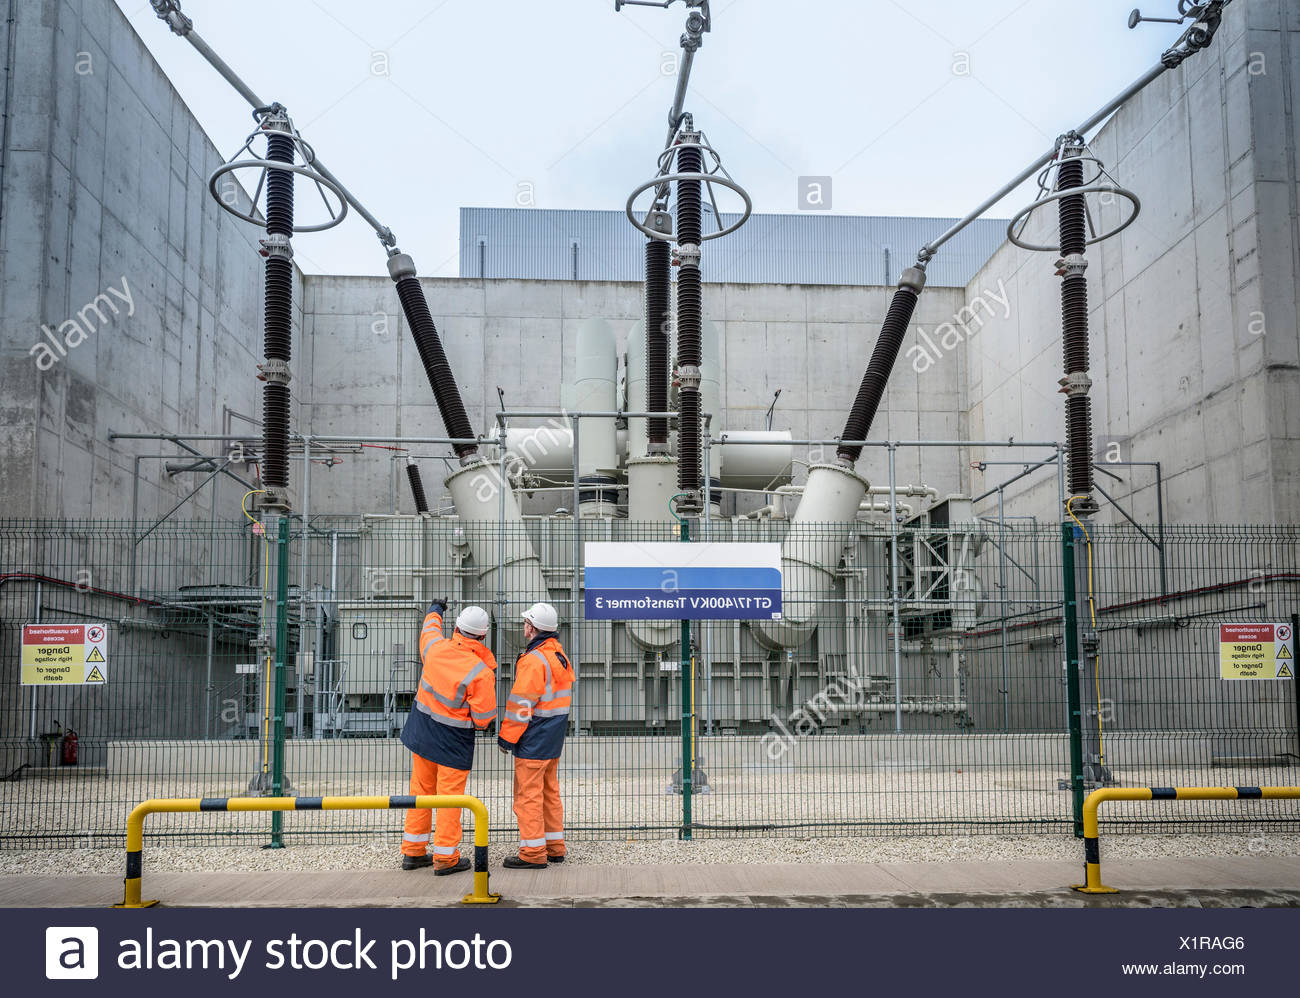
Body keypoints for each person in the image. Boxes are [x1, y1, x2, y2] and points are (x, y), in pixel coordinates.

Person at [399, 599, 497, 874]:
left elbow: (428, 629)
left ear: (456, 627)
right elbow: (483, 719)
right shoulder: (480, 672)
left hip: (421, 735)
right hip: (452, 744)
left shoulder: (435, 647)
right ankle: (445, 858)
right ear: (483, 635)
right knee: (449, 800)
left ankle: (413, 852)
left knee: (420, 794)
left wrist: (436, 609)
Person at [498, 602, 574, 870]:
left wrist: (507, 738)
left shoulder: (533, 661)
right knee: (549, 793)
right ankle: (555, 847)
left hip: (534, 739)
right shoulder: (559, 656)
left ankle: (532, 853)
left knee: (527, 796)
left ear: (532, 627)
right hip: (553, 739)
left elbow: (521, 705)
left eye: (525, 623)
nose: (523, 627)